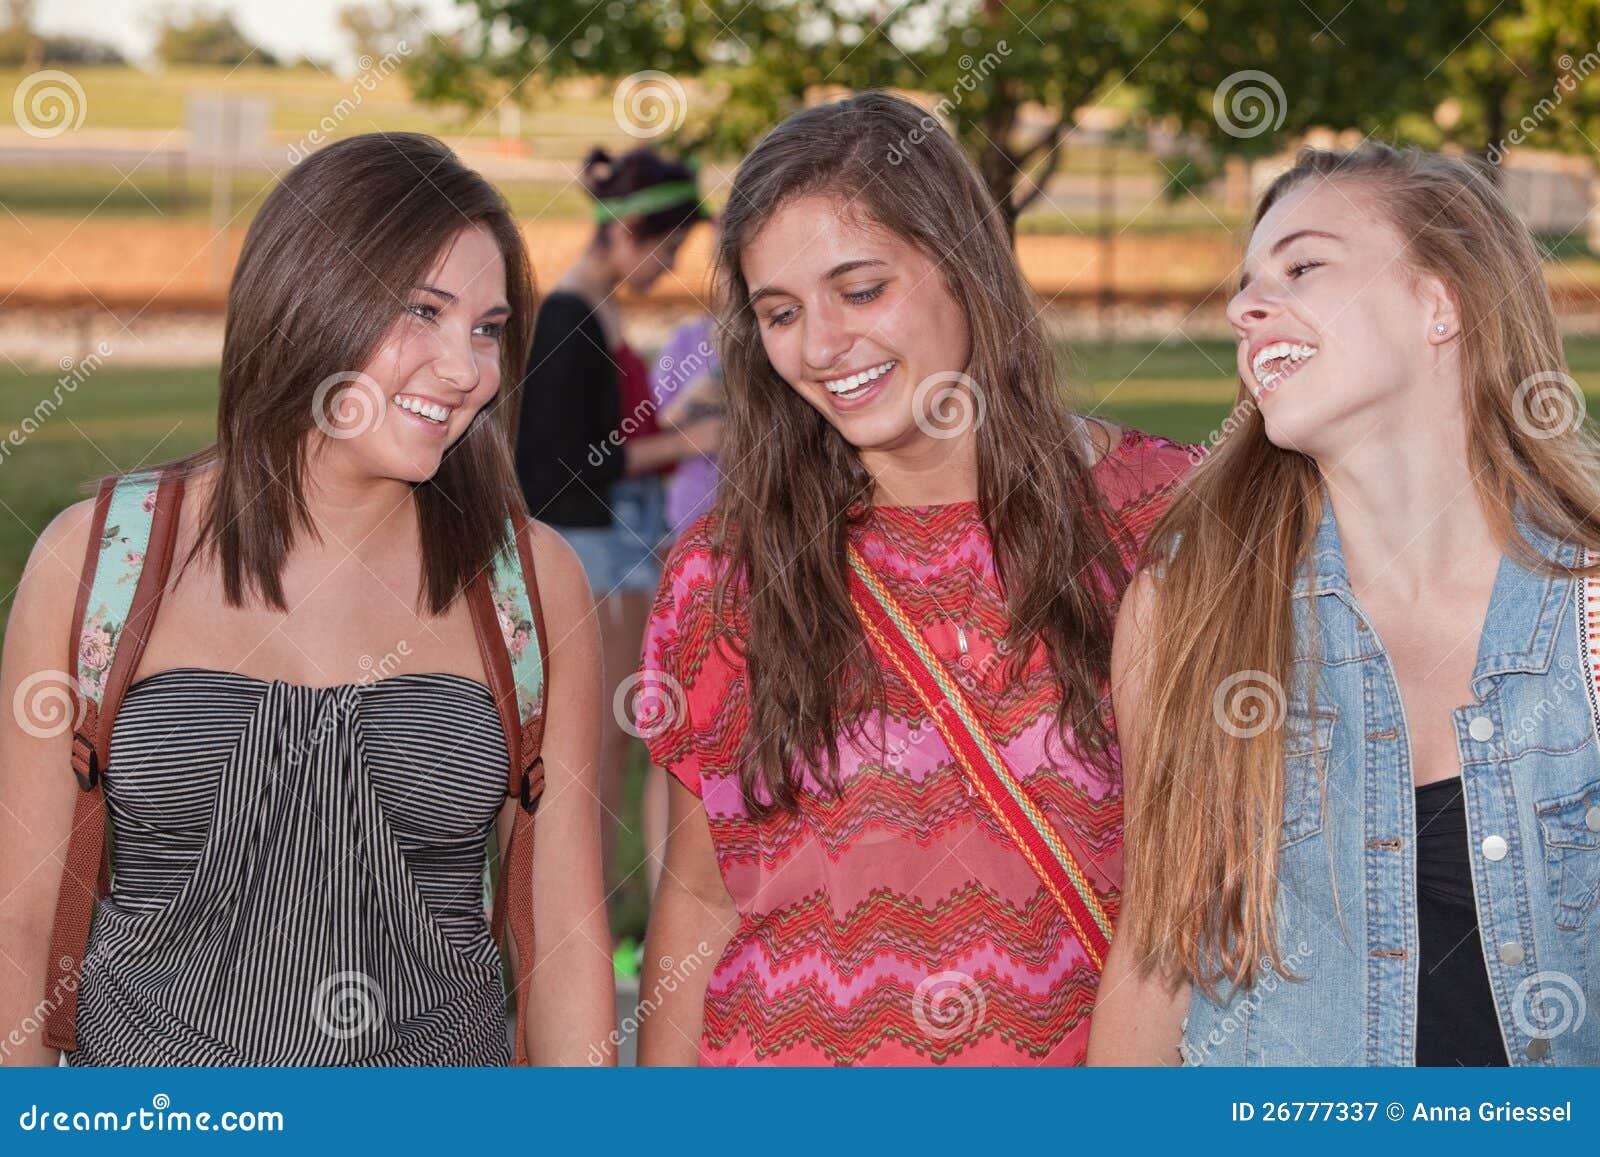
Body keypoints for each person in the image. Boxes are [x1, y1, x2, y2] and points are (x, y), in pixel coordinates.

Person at [0, 133, 613, 1066]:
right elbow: (17, 925)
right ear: (306, 297)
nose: (465, 370)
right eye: (423, 311)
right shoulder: (99, 561)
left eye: (488, 328)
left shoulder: (530, 584)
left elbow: (565, 946)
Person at [635, 92, 1193, 1066]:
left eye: (859, 289)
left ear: (963, 268)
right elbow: (696, 895)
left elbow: (1207, 894)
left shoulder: (1166, 520)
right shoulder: (725, 570)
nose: (819, 345)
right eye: (780, 311)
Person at [1088, 144, 1600, 1067]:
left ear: (1439, 304)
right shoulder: (1188, 610)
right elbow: (1154, 956)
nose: (1244, 309)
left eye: (1303, 266)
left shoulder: (1589, 618)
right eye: (1245, 285)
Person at [515, 146, 716, 891]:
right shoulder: (567, 319)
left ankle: (588, 922)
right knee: (595, 756)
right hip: (591, 556)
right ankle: (578, 930)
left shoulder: (598, 310)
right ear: (630, 233)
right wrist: (699, 439)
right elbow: (564, 468)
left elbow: (614, 435)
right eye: (669, 246)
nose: (670, 264)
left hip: (617, 550)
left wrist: (683, 417)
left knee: (616, 750)